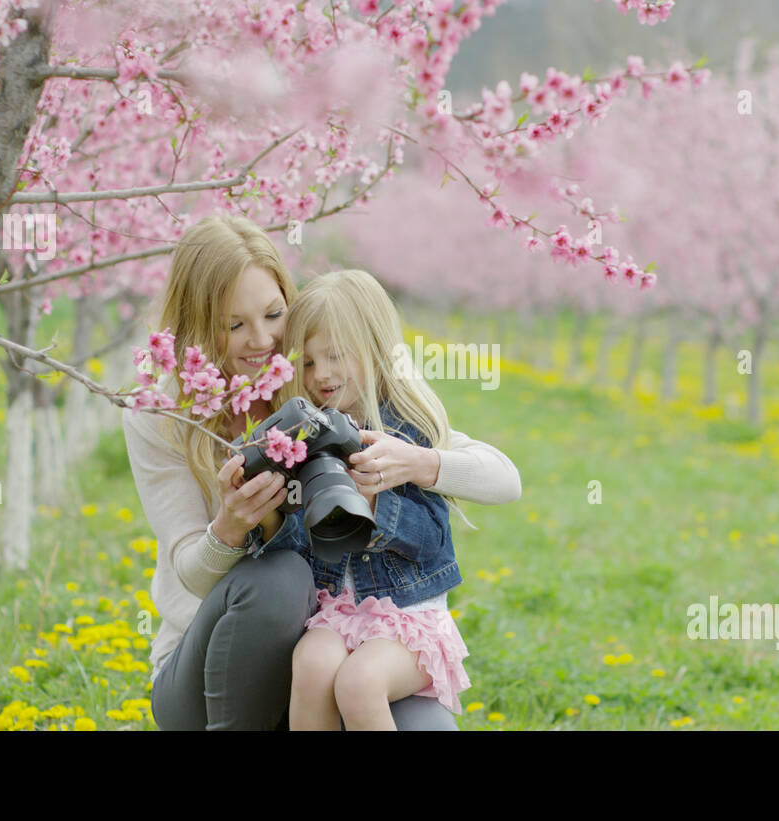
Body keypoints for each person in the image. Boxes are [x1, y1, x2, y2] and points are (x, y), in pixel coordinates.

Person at [121, 213, 521, 730]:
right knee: (281, 579)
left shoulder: (319, 395)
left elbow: (502, 476)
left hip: (344, 651)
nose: (262, 340)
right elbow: (191, 576)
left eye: (273, 314)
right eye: (234, 324)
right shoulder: (162, 416)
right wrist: (230, 527)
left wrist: (419, 463)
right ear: (199, 327)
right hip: (208, 672)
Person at [257, 269, 470, 730]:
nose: (322, 374)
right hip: (337, 611)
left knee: (359, 682)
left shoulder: (406, 430)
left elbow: (433, 538)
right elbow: (295, 542)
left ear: (374, 347)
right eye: (308, 363)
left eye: (335, 356)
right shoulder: (303, 437)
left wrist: (374, 504)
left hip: (408, 619)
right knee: (312, 665)